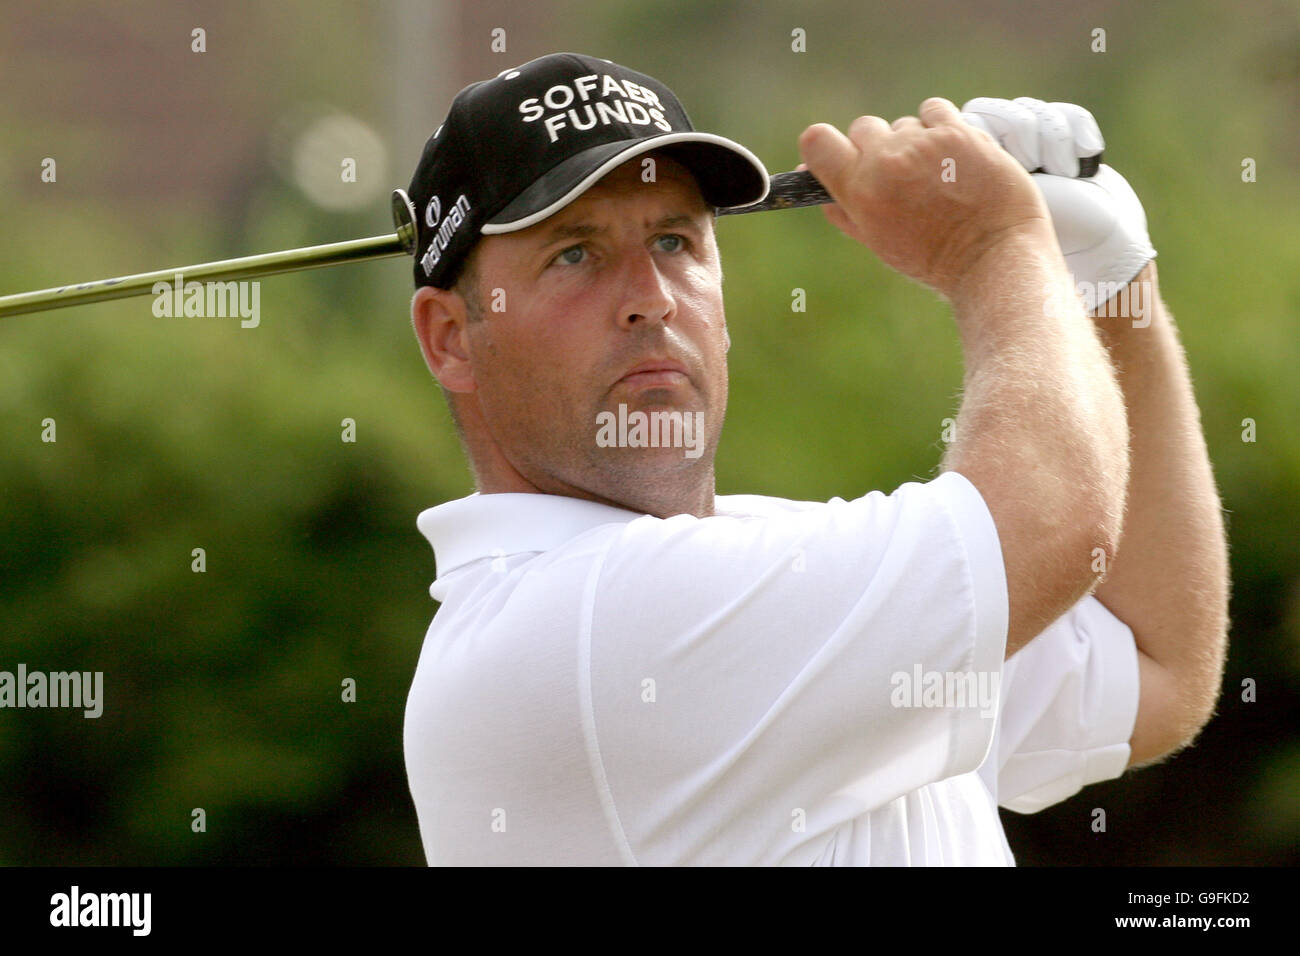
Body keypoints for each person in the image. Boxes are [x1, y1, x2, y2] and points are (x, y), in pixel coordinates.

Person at [400, 52, 1229, 865]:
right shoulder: (572, 628)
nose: (650, 300)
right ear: (451, 339)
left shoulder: (756, 558)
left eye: (675, 241)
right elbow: (1053, 522)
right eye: (573, 254)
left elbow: (1154, 670)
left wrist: (1112, 291)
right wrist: (993, 247)